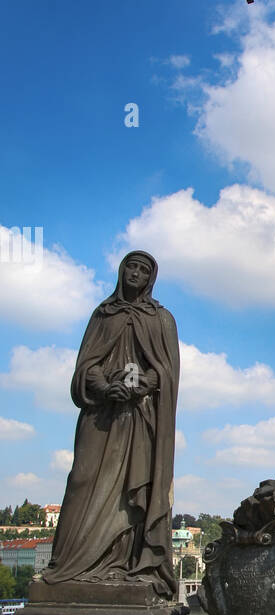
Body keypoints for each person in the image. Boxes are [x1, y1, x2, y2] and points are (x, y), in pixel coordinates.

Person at [41, 251, 179, 597]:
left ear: (151, 278)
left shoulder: (162, 319)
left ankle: (127, 562)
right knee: (82, 479)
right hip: (100, 413)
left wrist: (141, 385)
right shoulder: (103, 315)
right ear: (121, 272)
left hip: (140, 417)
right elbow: (86, 363)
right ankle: (69, 564)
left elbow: (167, 371)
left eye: (143, 270)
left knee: (135, 491)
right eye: (130, 267)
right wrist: (104, 385)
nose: (135, 273)